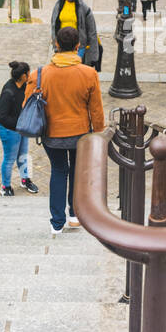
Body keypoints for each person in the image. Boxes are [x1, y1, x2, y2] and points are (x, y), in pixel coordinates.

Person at [29, 26, 105, 235]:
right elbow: (96, 110)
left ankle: (56, 222)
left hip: (51, 133)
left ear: (56, 45)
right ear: (78, 47)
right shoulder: (89, 74)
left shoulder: (39, 75)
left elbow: (27, 103)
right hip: (79, 133)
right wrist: (99, 133)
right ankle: (74, 215)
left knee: (58, 170)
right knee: (76, 172)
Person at [0, 60, 38, 196]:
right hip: (9, 131)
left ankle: (25, 180)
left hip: (21, 128)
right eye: (28, 73)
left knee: (23, 156)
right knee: (9, 159)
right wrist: (18, 124)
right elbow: (0, 116)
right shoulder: (9, 91)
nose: (30, 75)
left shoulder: (24, 85)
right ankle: (5, 187)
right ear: (23, 75)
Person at [49, 0, 101, 70]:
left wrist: (94, 55)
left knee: (76, 70)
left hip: (78, 47)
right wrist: (55, 44)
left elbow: (92, 31)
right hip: (61, 46)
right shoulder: (58, 5)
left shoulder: (84, 8)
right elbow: (53, 26)